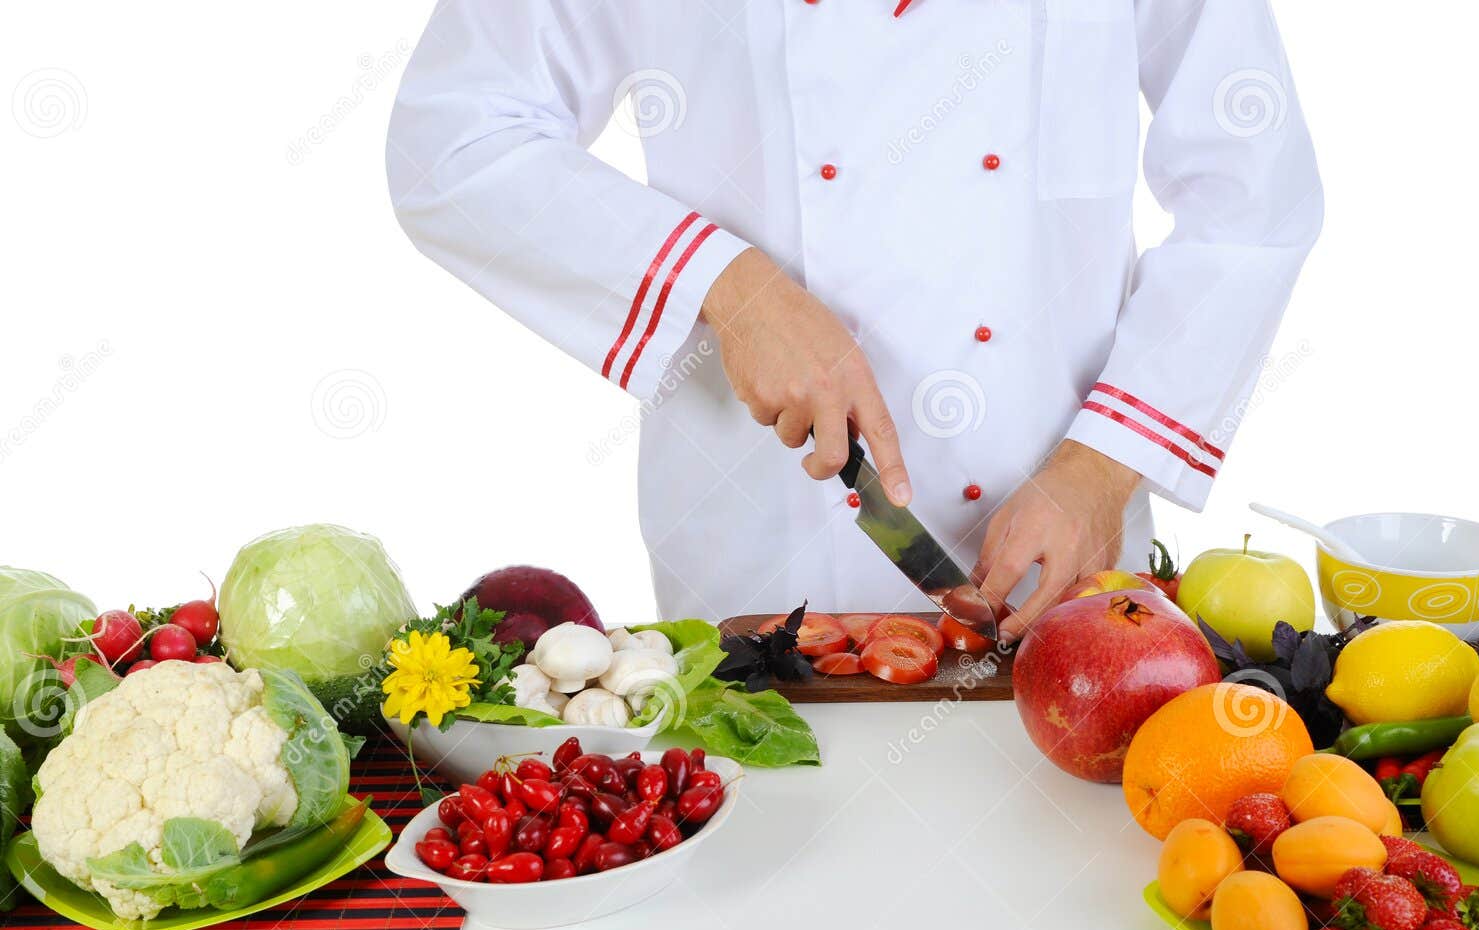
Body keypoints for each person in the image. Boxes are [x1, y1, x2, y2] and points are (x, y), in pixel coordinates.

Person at [387, 0, 1320, 639]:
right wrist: (729, 286)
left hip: (1065, 553)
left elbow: (1253, 195)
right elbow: (453, 140)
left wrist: (1103, 467)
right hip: (765, 546)